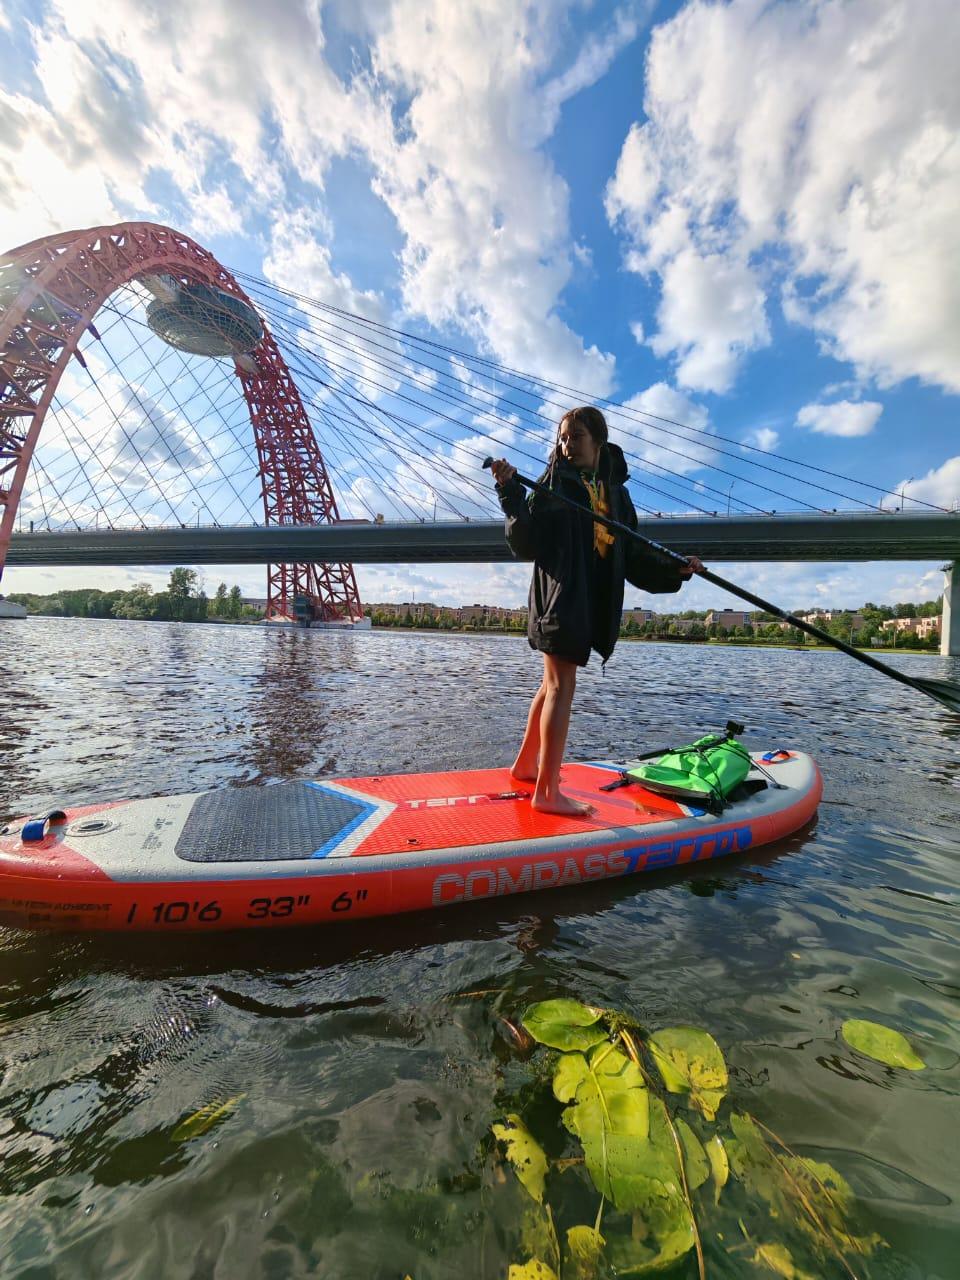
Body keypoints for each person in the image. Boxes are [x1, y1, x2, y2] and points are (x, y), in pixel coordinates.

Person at [490, 406, 704, 817]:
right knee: (559, 687)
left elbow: (633, 553)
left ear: (599, 442)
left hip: (587, 600)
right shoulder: (553, 484)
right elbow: (526, 542)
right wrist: (510, 492)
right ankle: (547, 792)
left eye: (577, 436)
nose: (567, 444)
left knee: (550, 683)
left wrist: (675, 566)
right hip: (559, 599)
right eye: (563, 437)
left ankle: (524, 767)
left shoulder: (616, 495)